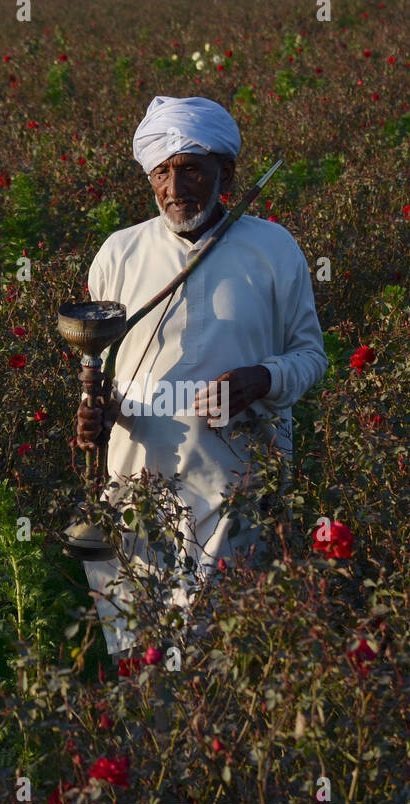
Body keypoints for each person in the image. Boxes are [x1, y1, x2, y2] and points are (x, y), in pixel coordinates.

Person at [75, 95, 328, 660]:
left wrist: (262, 379)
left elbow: (312, 356)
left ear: (226, 172)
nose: (174, 187)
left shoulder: (273, 250)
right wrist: (97, 411)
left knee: (219, 656)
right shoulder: (118, 254)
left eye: (191, 168)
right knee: (137, 650)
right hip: (134, 486)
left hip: (236, 486)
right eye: (161, 172)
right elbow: (97, 363)